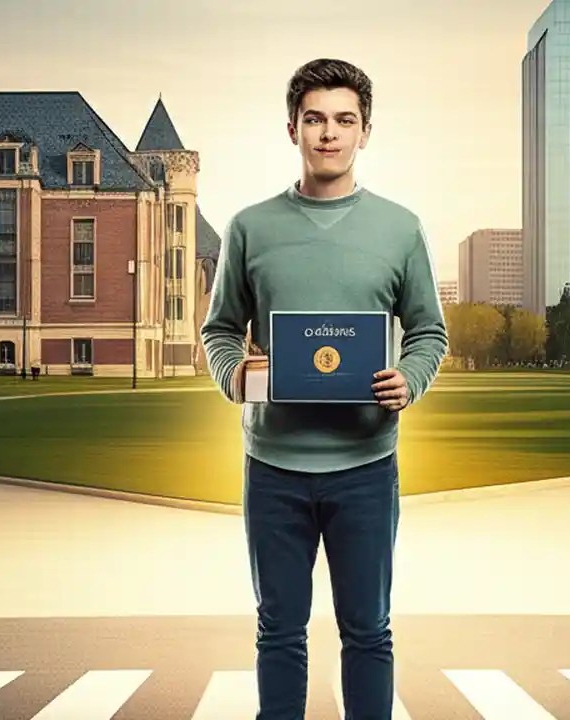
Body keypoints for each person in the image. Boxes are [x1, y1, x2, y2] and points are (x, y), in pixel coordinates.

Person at [199, 58, 448, 719]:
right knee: (279, 630)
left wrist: (410, 378)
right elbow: (219, 329)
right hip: (273, 467)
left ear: (365, 131)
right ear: (293, 129)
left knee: (368, 630)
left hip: (366, 466)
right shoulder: (250, 227)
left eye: (344, 120)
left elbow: (429, 332)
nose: (329, 133)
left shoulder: (400, 228)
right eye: (315, 119)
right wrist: (234, 374)